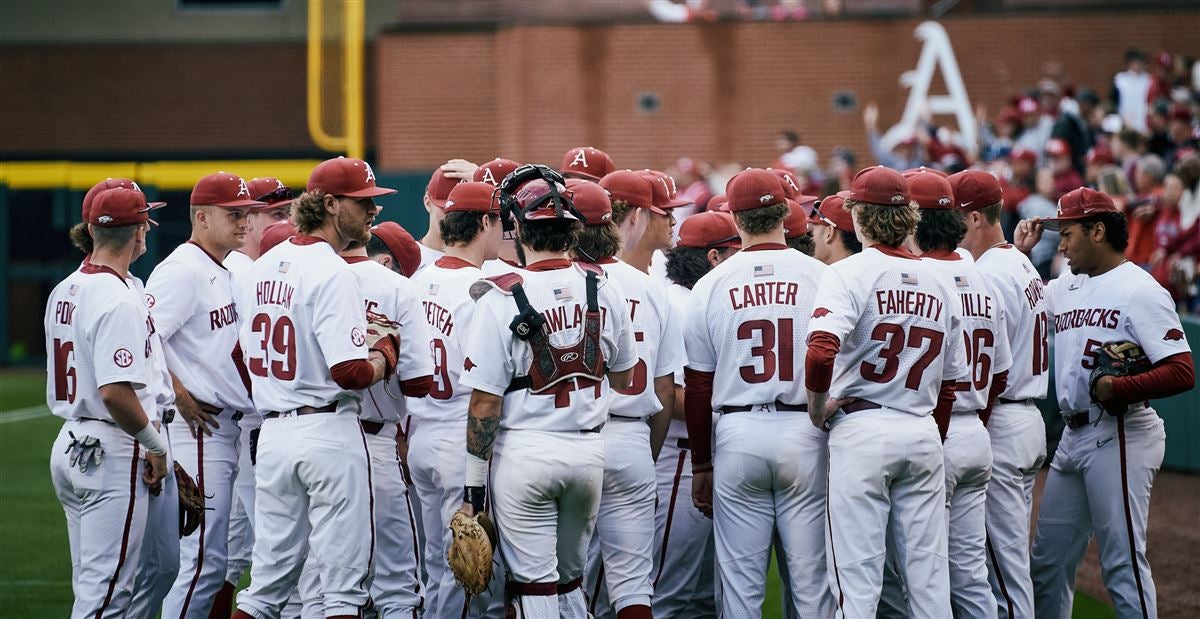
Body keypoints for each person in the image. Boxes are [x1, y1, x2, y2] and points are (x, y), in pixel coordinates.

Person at [457, 165, 637, 619]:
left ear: (516, 227)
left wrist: (473, 491)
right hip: (589, 452)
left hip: (527, 454)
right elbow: (623, 377)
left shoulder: (499, 298)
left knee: (533, 587)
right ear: (573, 228)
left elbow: (484, 402)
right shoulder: (604, 287)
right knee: (571, 582)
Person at [231, 157, 400, 619]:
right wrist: (386, 353)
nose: (372, 212)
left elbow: (240, 357)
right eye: (362, 202)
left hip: (273, 436)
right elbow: (350, 373)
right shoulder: (333, 272)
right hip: (327, 432)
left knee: (265, 588)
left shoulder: (260, 268)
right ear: (329, 204)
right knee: (342, 590)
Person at [1016, 187, 1195, 619]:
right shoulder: (1068, 285)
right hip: (1074, 436)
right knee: (1048, 563)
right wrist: (1019, 257)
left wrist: (1119, 388)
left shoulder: (1141, 289)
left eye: (1068, 233)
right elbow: (1019, 303)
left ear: (1097, 231)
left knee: (1123, 563)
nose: (1060, 243)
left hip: (1120, 431)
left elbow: (1183, 370)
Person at [805, 165, 966, 618]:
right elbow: (949, 384)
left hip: (863, 427)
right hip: (921, 430)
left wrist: (817, 410)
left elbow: (820, 353)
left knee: (857, 584)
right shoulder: (939, 280)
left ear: (857, 217)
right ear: (908, 218)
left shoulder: (849, 272)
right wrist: (933, 435)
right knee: (930, 585)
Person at [683, 168, 833, 617]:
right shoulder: (820, 275)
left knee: (740, 588)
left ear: (734, 217)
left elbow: (697, 385)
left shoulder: (710, 283)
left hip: (738, 430)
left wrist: (701, 463)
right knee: (811, 584)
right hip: (805, 428)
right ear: (784, 213)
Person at [46, 186, 171, 618]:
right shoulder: (116, 299)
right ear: (139, 231)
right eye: (145, 222)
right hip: (113, 447)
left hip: (72, 442)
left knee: (95, 585)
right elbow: (116, 392)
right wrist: (155, 444)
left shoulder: (66, 288)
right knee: (107, 596)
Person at [147, 172, 263, 618]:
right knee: (200, 561)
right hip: (199, 429)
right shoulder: (181, 270)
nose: (243, 222)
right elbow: (145, 338)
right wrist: (176, 390)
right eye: (233, 214)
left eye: (246, 213)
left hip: (224, 427)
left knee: (212, 560)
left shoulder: (226, 267)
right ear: (201, 216)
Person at [570, 179, 684, 619]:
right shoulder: (651, 287)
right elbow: (663, 389)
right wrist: (646, 454)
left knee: (564, 578)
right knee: (634, 583)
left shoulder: (563, 280)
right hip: (633, 437)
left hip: (576, 436)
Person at [909, 169, 1012, 618]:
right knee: (970, 574)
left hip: (937, 432)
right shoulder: (980, 276)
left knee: (921, 572)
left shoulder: (920, 277)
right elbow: (1002, 375)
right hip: (976, 433)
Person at [322, 216, 434, 618]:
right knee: (397, 583)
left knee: (317, 585)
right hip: (373, 443)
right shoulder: (395, 287)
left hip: (308, 436)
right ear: (387, 262)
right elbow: (421, 383)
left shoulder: (307, 276)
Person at [407, 181, 507, 619]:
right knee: (467, 572)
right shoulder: (482, 288)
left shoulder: (415, 280)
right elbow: (490, 380)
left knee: (435, 562)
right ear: (484, 222)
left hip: (420, 434)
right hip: (461, 441)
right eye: (499, 220)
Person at [953, 169, 1049, 619]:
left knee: (1002, 575)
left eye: (953, 213)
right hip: (1026, 420)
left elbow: (989, 367)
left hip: (1002, 420)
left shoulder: (989, 274)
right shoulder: (1019, 261)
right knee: (1010, 565)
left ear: (973, 218)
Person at [653, 211, 740, 618]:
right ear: (714, 258)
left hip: (700, 456)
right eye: (734, 251)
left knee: (705, 595)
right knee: (668, 591)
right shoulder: (680, 304)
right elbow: (674, 396)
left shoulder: (688, 298)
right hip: (681, 457)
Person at [218, 175, 296, 614]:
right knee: (264, 555)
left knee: (233, 553)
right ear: (247, 218)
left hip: (253, 426)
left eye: (287, 212)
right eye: (274, 213)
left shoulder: (251, 269)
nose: (283, 219)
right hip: (248, 424)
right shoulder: (238, 271)